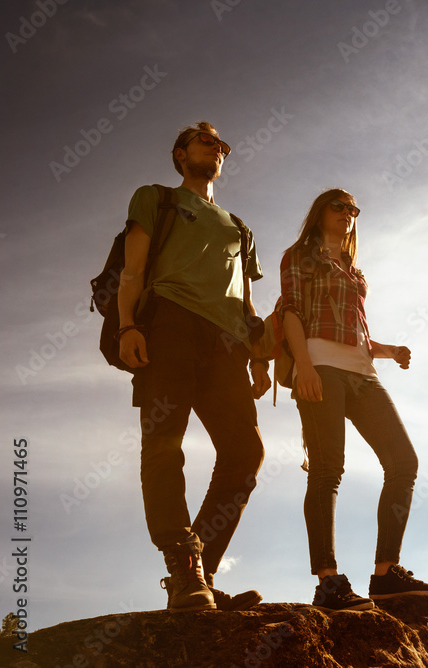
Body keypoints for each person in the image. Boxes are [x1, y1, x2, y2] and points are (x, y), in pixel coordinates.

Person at [118, 121, 269, 612]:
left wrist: (259, 355)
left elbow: (246, 304)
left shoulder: (239, 228)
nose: (216, 145)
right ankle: (183, 570)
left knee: (245, 453)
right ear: (180, 154)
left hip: (227, 343)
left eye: (221, 142)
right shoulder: (157, 198)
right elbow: (133, 269)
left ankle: (200, 568)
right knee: (164, 444)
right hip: (170, 324)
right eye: (205, 137)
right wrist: (127, 326)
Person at [279, 188, 428, 611]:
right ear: (320, 212)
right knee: (328, 468)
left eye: (354, 209)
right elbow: (292, 312)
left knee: (403, 462)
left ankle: (386, 574)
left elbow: (358, 333)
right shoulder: (300, 255)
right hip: (319, 367)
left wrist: (388, 351)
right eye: (340, 206)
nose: (348, 214)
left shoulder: (354, 271)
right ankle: (328, 583)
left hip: (362, 373)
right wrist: (304, 365)